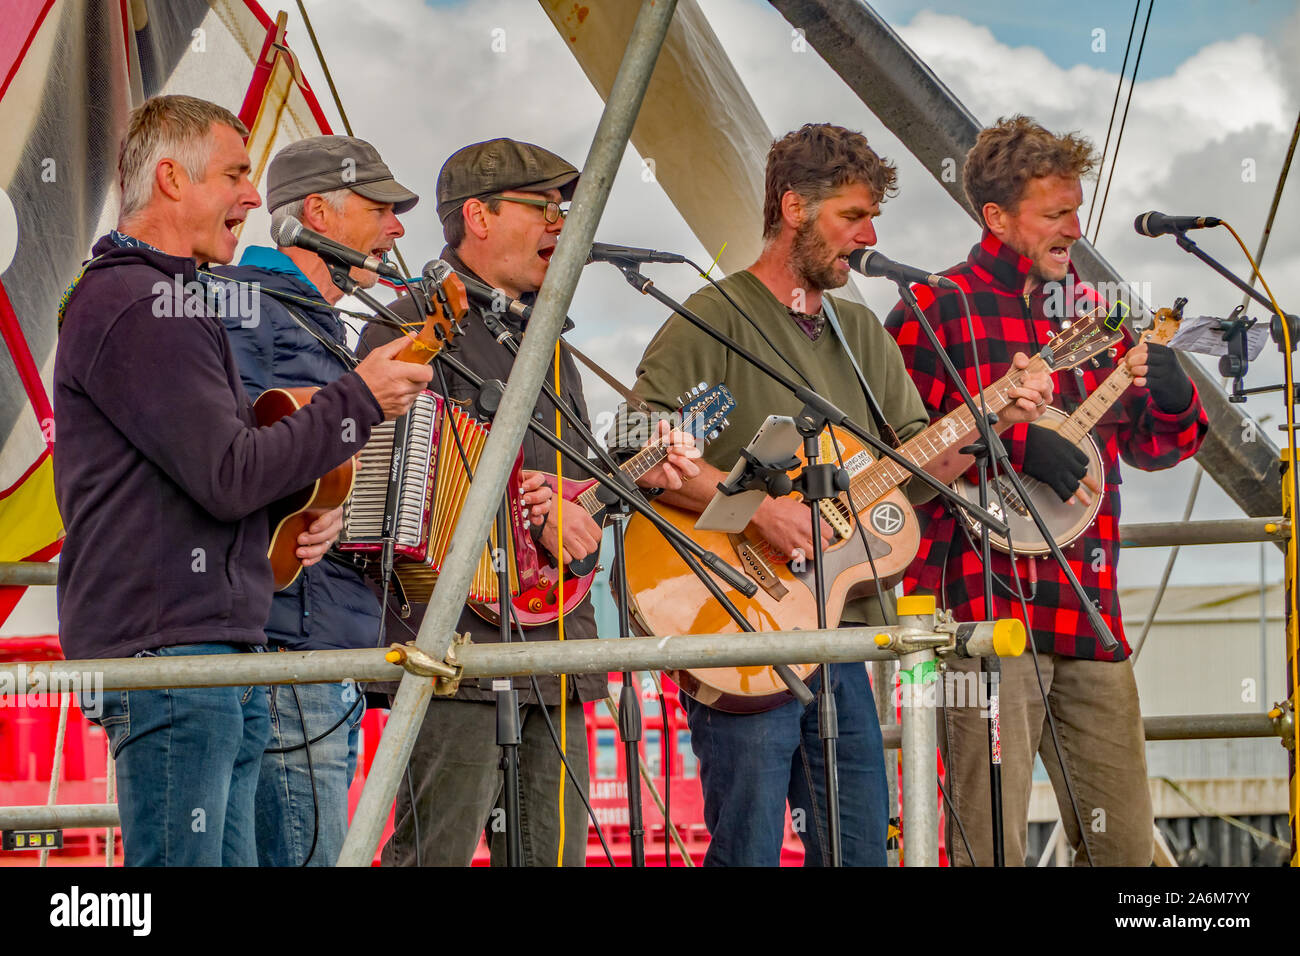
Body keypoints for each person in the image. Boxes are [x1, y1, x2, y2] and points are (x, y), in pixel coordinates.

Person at [629, 122, 1053, 866]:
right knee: (750, 846)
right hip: (739, 625)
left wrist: (996, 413)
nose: (868, 234)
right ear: (793, 207)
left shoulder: (861, 329)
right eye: (851, 216)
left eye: (872, 218)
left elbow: (919, 467)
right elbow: (642, 449)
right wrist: (761, 511)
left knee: (861, 846)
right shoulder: (710, 320)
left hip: (844, 633)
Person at [53, 95, 432, 866]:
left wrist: (288, 520)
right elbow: (226, 474)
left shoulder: (163, 301)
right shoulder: (140, 305)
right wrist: (357, 399)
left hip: (211, 650)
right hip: (177, 656)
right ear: (170, 178)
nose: (253, 197)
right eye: (234, 174)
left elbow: (199, 479)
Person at [360, 137, 700, 866]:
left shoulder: (546, 339)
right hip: (456, 649)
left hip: (558, 645)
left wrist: (630, 477)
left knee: (549, 860)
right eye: (542, 207)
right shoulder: (409, 323)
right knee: (434, 856)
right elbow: (399, 487)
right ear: (477, 217)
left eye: (564, 209)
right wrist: (530, 514)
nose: (560, 224)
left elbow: (570, 492)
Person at [883, 115, 1208, 866]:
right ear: (996, 217)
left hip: (1088, 612)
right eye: (1055, 212)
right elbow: (898, 458)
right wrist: (1009, 444)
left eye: (1076, 208)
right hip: (980, 616)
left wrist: (1173, 393)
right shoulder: (933, 312)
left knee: (1123, 849)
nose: (1074, 226)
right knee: (985, 847)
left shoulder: (1095, 315)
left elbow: (1161, 448)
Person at [212, 135, 485, 867]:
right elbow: (224, 440)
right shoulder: (249, 306)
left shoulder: (310, 319)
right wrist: (295, 504)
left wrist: (326, 490)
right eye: (381, 208)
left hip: (316, 637)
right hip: (289, 644)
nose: (398, 227)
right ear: (318, 213)